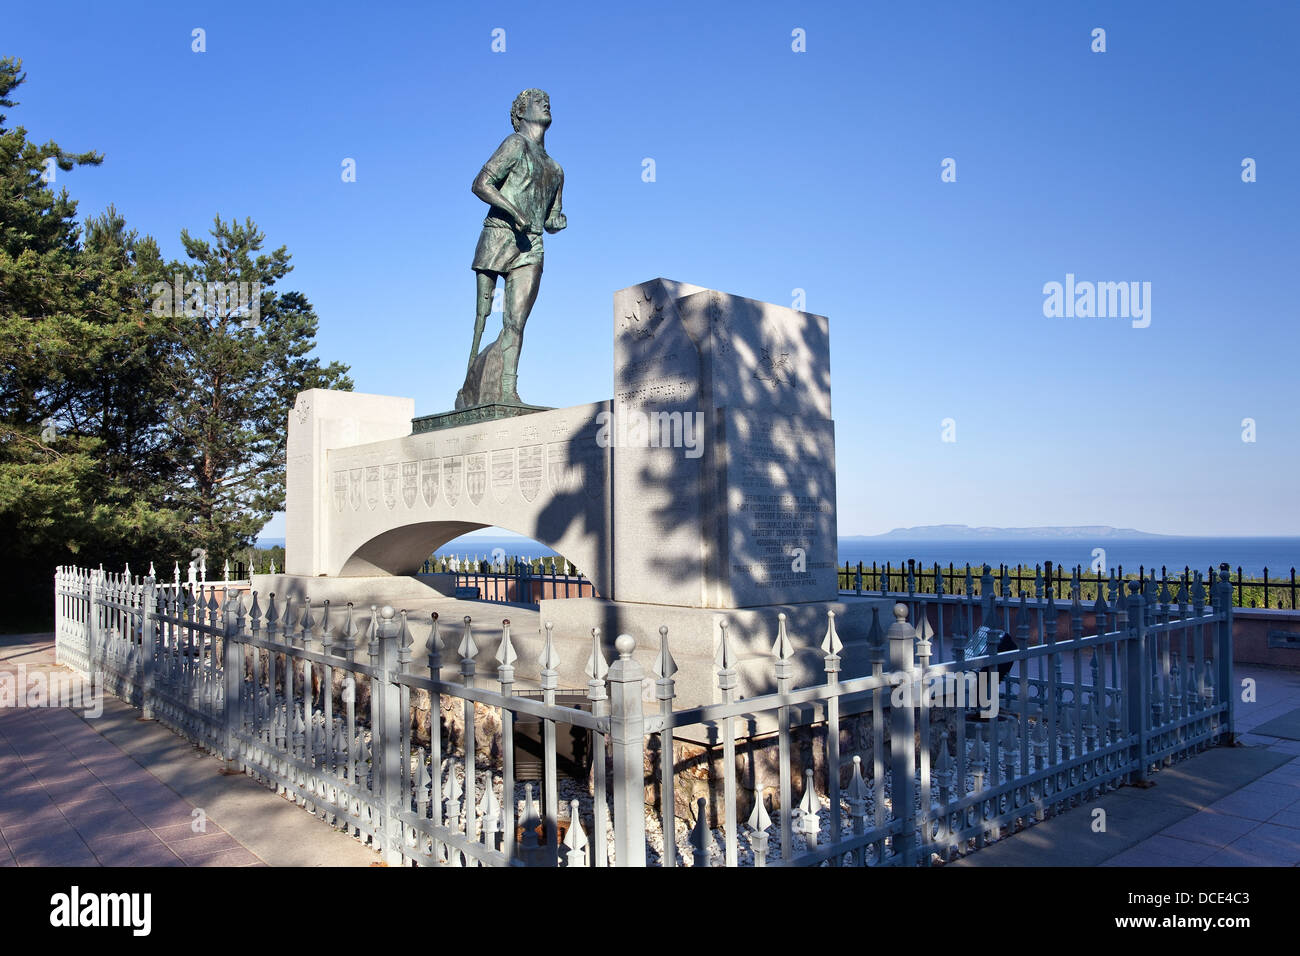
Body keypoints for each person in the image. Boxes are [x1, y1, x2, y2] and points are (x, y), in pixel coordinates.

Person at [466, 88, 566, 405]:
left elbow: (551, 220)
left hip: (531, 246)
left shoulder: (556, 169)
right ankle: (468, 390)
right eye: (538, 101)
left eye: (547, 100)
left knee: (515, 322)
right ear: (521, 113)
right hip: (499, 235)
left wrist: (558, 221)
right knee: (481, 319)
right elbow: (481, 184)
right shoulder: (514, 144)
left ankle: (508, 390)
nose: (545, 103)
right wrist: (513, 211)